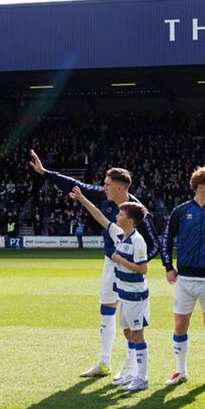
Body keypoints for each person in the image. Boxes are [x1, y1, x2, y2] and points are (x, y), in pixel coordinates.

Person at [29, 150, 158, 378]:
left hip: (128, 270)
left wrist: (134, 262)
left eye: (107, 184)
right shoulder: (102, 197)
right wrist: (45, 172)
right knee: (106, 309)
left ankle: (131, 368)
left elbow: (154, 244)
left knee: (130, 322)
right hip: (110, 263)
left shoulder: (136, 210)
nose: (103, 187)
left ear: (119, 188)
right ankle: (104, 362)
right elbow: (74, 185)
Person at [69, 187, 151, 392]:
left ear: (130, 220)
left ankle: (142, 377)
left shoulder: (138, 241)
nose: (116, 216)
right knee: (127, 332)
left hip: (135, 295)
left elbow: (143, 268)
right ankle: (131, 371)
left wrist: (119, 259)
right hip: (123, 293)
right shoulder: (119, 234)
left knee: (137, 334)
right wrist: (82, 199)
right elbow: (99, 217)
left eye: (121, 214)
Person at [162, 166, 205, 387]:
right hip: (184, 280)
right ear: (201, 187)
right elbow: (166, 240)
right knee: (180, 325)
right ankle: (180, 371)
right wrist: (168, 266)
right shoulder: (181, 212)